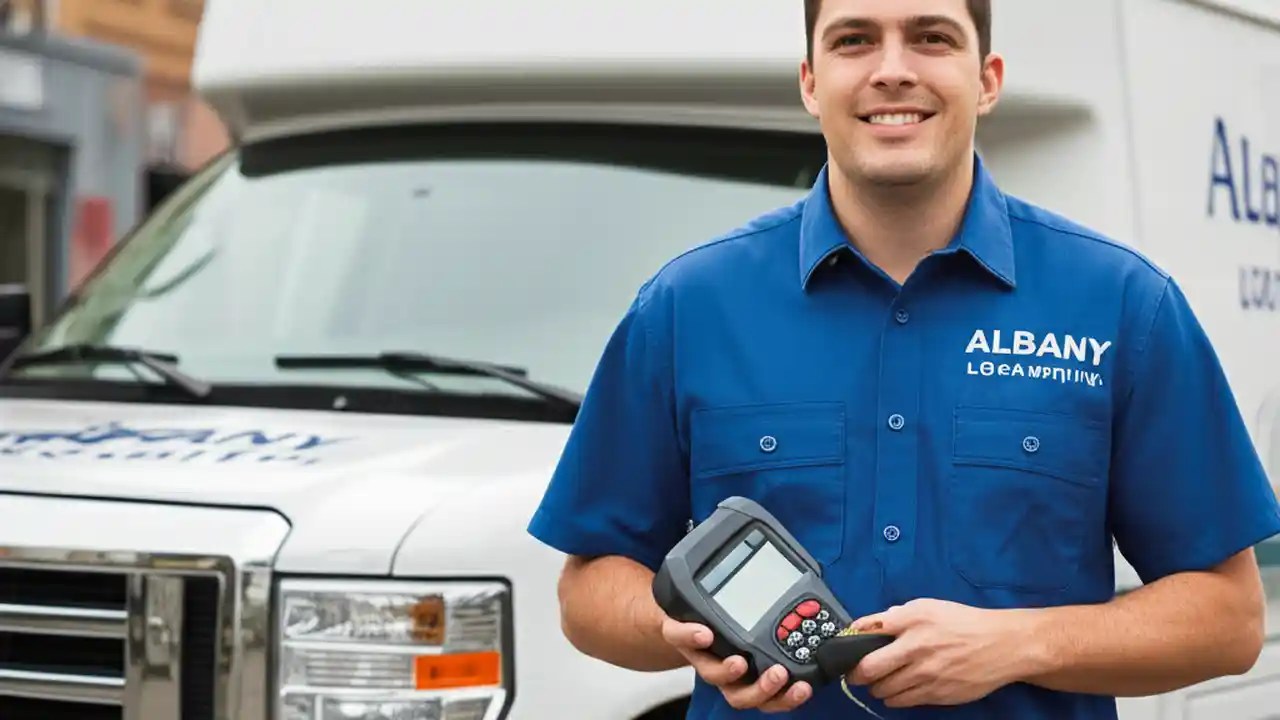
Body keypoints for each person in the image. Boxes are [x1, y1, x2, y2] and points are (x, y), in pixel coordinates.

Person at [526, 0, 1280, 717]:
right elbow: (588, 589)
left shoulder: (1122, 305)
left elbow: (1228, 616)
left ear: (987, 80)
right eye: (854, 39)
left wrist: (1020, 644)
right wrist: (684, 632)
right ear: (810, 81)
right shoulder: (688, 306)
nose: (892, 69)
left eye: (932, 37)